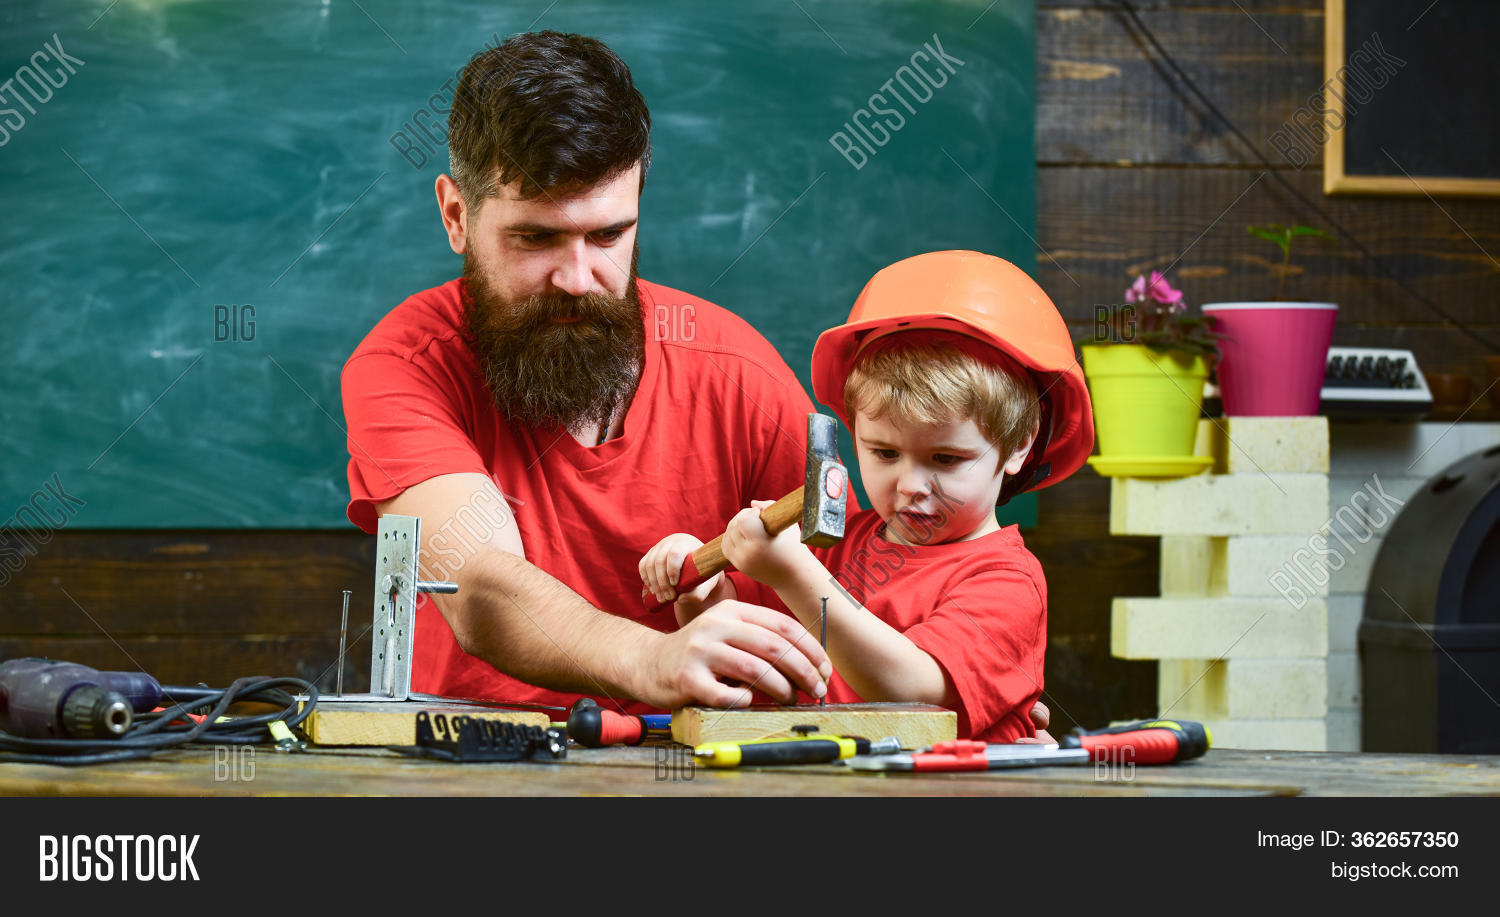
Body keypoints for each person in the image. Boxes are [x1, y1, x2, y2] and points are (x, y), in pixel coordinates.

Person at [341, 30, 835, 713]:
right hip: (482, 765)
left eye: (607, 235)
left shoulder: (741, 374)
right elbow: (480, 589)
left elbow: (850, 613)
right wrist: (655, 659)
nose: (577, 278)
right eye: (535, 237)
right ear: (456, 216)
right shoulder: (405, 366)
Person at [640, 252, 1094, 741]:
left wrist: (794, 573)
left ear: (1018, 446)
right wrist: (703, 594)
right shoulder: (833, 545)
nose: (911, 484)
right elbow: (743, 651)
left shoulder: (1007, 582)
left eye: (946, 459)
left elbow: (913, 693)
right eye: (885, 453)